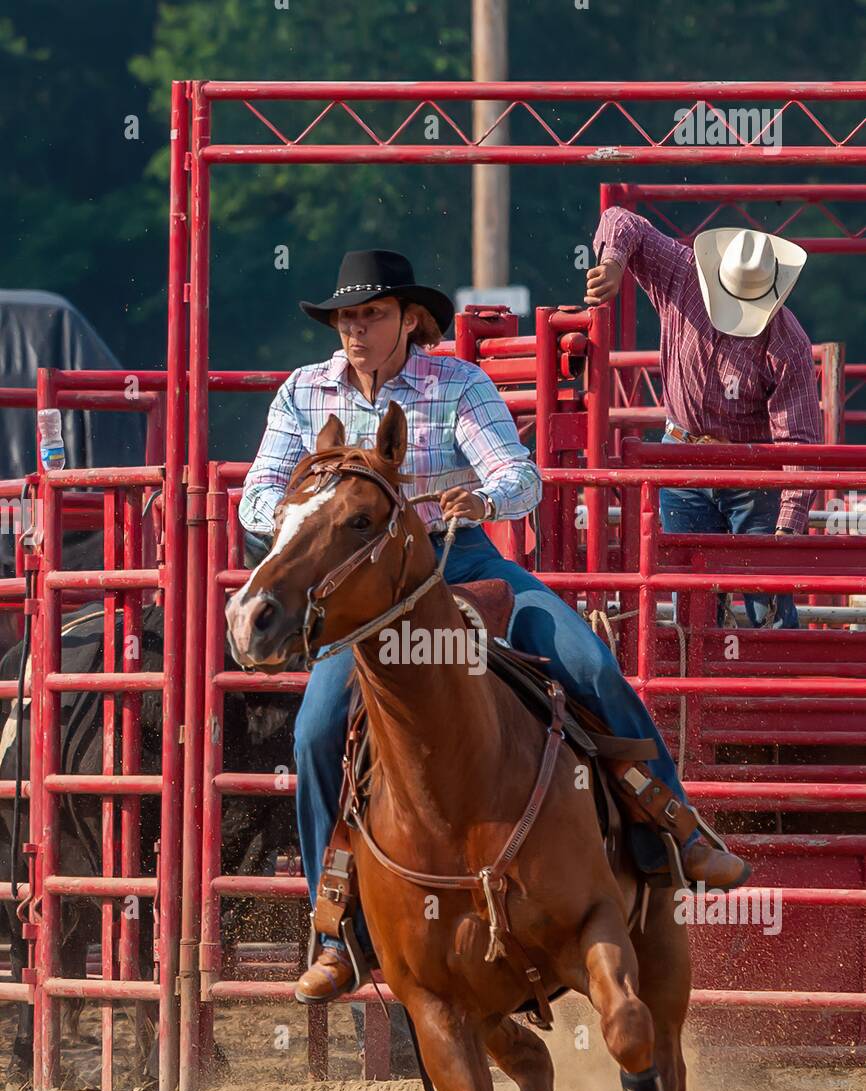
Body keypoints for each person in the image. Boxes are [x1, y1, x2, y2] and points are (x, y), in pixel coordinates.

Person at [239, 249, 747, 1003]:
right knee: (316, 729)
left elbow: (517, 474)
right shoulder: (303, 392)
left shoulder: (456, 384)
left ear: (410, 320)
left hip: (459, 561)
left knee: (587, 661)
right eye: (347, 317)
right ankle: (334, 930)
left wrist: (483, 499)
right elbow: (257, 494)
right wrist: (300, 516)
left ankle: (674, 823)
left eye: (372, 314)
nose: (356, 329)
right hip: (362, 586)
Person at [588, 214, 822, 629]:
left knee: (763, 594)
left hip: (748, 475)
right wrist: (613, 262)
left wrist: (787, 527)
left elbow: (798, 441)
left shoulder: (786, 343)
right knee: (692, 598)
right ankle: (707, 687)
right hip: (686, 463)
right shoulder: (681, 273)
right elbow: (621, 221)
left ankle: (761, 688)